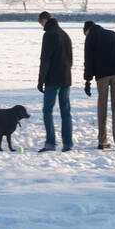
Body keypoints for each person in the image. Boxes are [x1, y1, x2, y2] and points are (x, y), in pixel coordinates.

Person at [83, 19, 115, 150]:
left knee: (102, 108)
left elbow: (88, 60)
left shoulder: (90, 37)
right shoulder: (113, 34)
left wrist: (87, 80)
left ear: (87, 31)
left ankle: (102, 141)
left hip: (102, 75)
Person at [36, 10, 73, 152]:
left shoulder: (49, 35)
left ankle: (50, 143)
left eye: (41, 23)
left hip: (52, 79)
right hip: (66, 78)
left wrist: (41, 80)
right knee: (66, 111)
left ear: (44, 20)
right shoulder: (65, 35)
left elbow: (45, 59)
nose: (41, 26)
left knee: (47, 111)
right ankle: (68, 143)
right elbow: (70, 59)